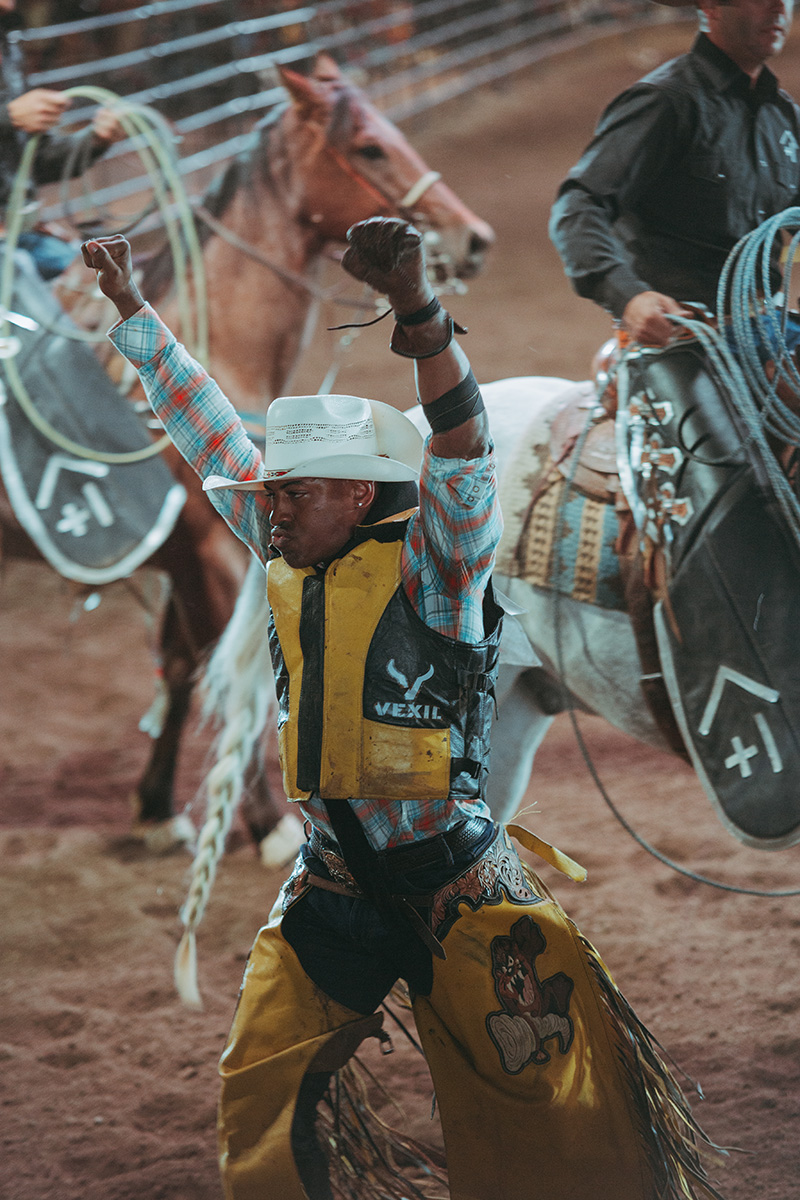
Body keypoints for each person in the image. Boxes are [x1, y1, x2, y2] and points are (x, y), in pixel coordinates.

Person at [81, 219, 724, 1200]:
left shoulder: (440, 568)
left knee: (551, 1111)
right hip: (335, 883)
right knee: (262, 1083)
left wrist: (421, 314)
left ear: (356, 493)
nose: (271, 506)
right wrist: (132, 311)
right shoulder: (287, 548)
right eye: (274, 492)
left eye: (294, 491)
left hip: (450, 889)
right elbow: (204, 427)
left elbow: (462, 447)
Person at [549, 0, 800, 346]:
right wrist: (629, 297)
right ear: (712, 6)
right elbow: (580, 203)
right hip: (682, 337)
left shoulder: (784, 117)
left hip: (769, 329)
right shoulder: (665, 102)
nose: (778, 8)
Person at [0, 0, 125, 280]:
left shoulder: (8, 46)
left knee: (103, 285)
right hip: (11, 255)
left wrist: (95, 141)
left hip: (19, 235)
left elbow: (35, 161)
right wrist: (8, 119)